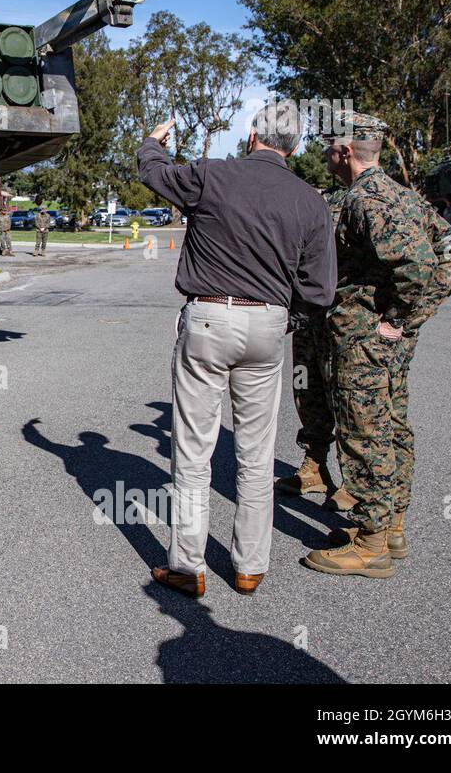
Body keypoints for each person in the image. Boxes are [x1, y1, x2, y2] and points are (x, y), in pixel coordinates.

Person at [137, 104, 335, 598]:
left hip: (209, 317)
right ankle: (249, 565)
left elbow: (153, 172)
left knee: (194, 448)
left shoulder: (214, 176)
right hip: (268, 324)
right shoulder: (311, 201)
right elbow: (320, 290)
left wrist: (155, 140)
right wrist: (285, 318)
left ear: (251, 136)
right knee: (256, 451)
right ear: (296, 147)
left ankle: (187, 564)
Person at [303, 113, 451, 577]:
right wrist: (410, 324)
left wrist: (399, 318)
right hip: (384, 340)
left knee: (363, 432)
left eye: (331, 146)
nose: (326, 153)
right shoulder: (403, 195)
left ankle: (369, 542)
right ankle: (391, 524)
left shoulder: (365, 199)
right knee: (392, 424)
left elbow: (417, 269)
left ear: (347, 151)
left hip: (362, 338)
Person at [274, 188, 357, 512]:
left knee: (351, 402)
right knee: (305, 390)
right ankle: (314, 466)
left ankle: (357, 482)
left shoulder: (372, 200)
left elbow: (447, 253)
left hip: (349, 325)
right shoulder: (321, 200)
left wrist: (403, 318)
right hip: (309, 323)